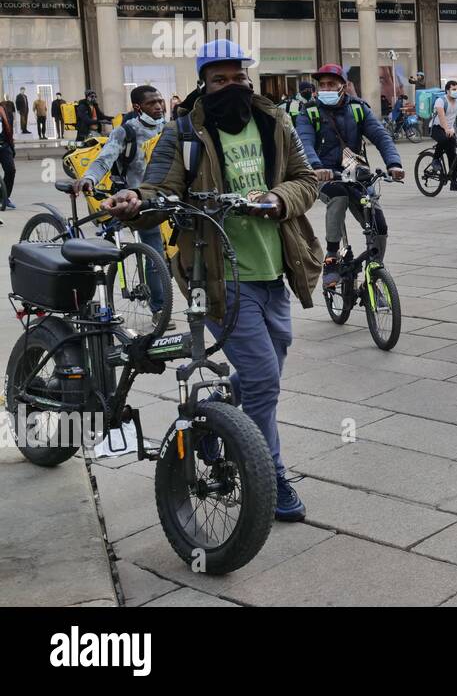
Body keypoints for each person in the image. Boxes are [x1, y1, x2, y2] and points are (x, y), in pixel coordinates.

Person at [101, 39, 323, 523]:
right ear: (204, 84)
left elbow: (306, 178)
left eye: (238, 77)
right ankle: (271, 475)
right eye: (219, 79)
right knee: (264, 380)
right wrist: (136, 200)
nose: (232, 86)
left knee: (270, 364)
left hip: (274, 266)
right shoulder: (184, 131)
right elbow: (159, 186)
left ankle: (216, 413)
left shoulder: (275, 121)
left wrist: (279, 198)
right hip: (219, 272)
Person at [295, 64, 404, 288]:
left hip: (354, 174)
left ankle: (374, 272)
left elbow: (380, 136)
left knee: (379, 226)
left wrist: (394, 163)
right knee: (339, 196)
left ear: (342, 86)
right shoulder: (310, 111)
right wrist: (316, 167)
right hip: (324, 177)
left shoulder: (358, 108)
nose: (325, 88)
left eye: (331, 84)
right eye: (322, 84)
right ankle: (332, 257)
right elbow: (304, 142)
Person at [75, 86, 171, 325]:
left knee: (157, 253)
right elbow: (104, 159)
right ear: (138, 107)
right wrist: (89, 178)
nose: (159, 106)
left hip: (158, 199)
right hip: (127, 200)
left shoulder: (170, 129)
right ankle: (84, 293)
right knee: (105, 250)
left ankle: (159, 306)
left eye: (160, 101)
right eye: (152, 103)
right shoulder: (126, 132)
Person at [0, 100, 15, 208]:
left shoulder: (3, 110)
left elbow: (9, 129)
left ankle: (5, 197)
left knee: (11, 170)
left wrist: (11, 147)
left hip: (4, 145)